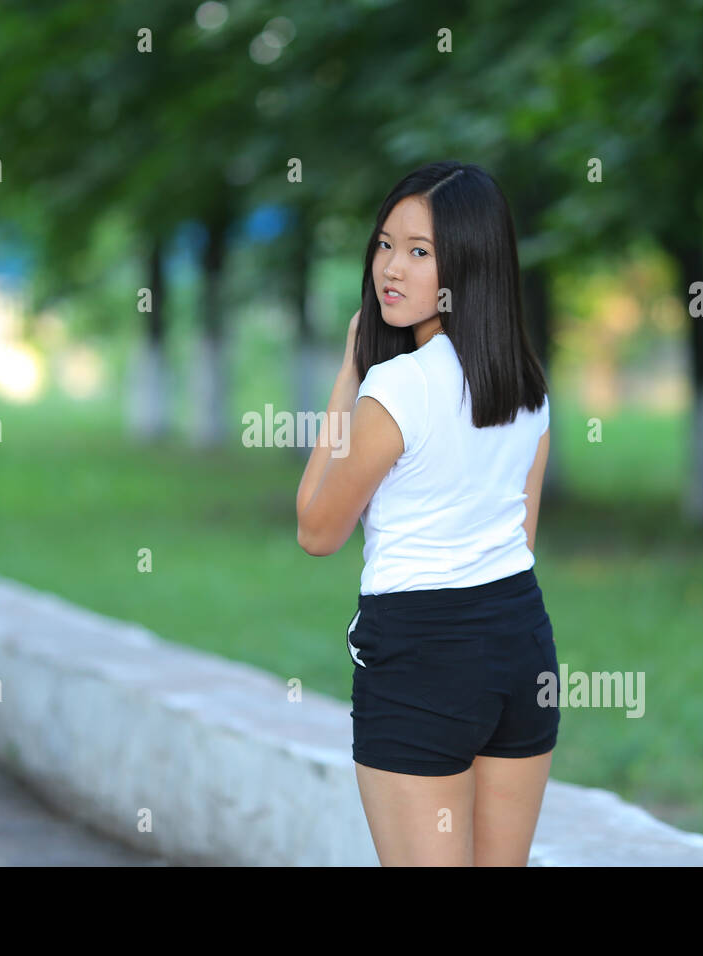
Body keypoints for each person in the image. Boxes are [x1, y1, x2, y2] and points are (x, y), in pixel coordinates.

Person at [296, 161, 555, 866]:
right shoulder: (528, 389)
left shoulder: (396, 386)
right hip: (521, 649)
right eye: (384, 244)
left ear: (467, 264)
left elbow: (316, 528)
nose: (391, 268)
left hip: (422, 660)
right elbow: (519, 537)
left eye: (419, 251)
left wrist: (350, 373)